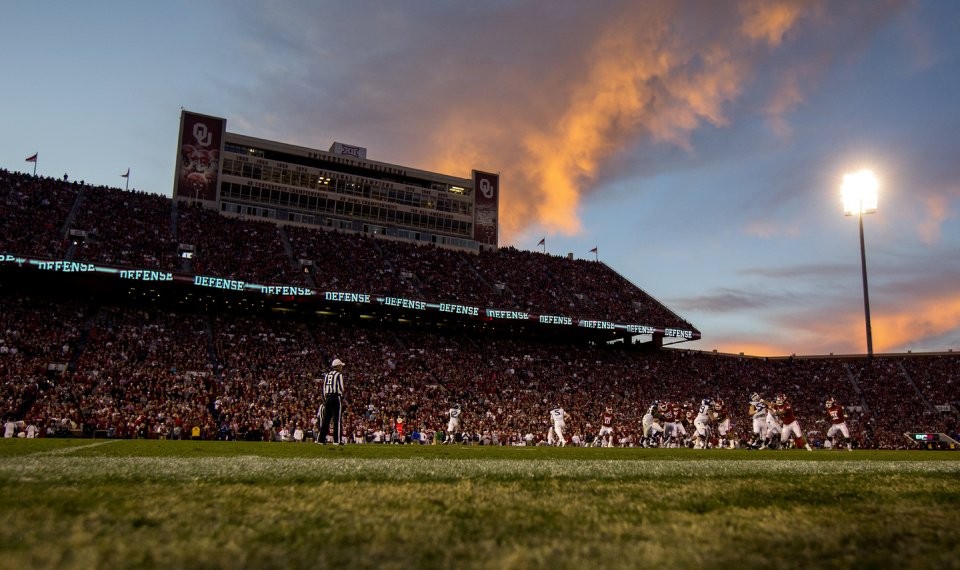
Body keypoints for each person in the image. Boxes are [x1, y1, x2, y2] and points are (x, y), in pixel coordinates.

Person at [316, 358, 345, 445]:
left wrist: (325, 399)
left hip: (328, 397)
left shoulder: (327, 375)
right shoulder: (339, 375)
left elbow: (324, 389)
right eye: (341, 366)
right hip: (336, 397)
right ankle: (337, 440)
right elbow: (341, 388)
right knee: (337, 419)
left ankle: (321, 440)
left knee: (326, 419)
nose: (341, 367)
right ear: (338, 366)